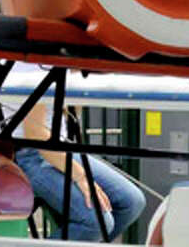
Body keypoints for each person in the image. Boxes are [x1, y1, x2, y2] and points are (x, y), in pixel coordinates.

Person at [12, 99, 145, 241]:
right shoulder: (39, 76)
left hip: (60, 147)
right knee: (97, 222)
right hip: (28, 154)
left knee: (131, 202)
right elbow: (35, 133)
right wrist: (81, 177)